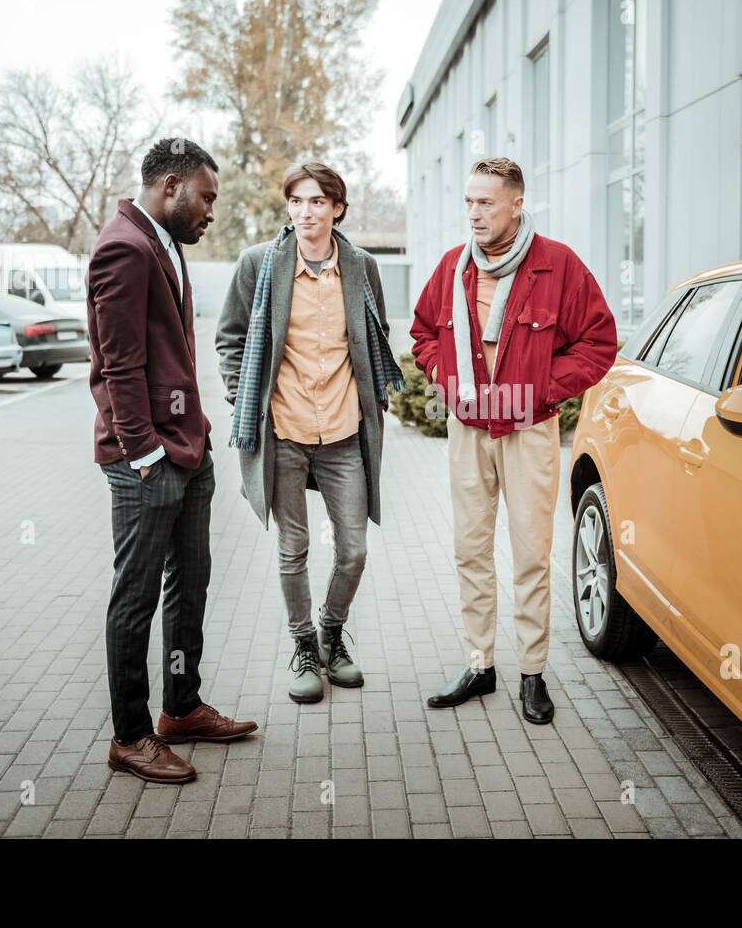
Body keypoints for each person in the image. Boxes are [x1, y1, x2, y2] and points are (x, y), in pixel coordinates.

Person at [410, 157, 617, 724]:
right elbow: (423, 331)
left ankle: (532, 673)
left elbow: (599, 343)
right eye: (469, 201)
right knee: (470, 552)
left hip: (529, 429)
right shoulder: (454, 266)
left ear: (516, 203)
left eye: (485, 202)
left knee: (530, 554)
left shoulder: (558, 266)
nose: (473, 213)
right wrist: (442, 378)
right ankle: (480, 665)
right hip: (468, 428)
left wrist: (544, 391)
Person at [88, 137, 257, 785]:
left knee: (190, 583)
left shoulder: (165, 246)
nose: (212, 210)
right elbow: (117, 367)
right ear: (170, 188)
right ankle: (130, 737)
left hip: (189, 449)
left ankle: (180, 708)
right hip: (147, 461)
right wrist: (146, 455)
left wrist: (197, 433)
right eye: (206, 196)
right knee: (134, 598)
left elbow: (172, 354)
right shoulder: (123, 248)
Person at [216, 161, 402, 704]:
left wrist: (373, 395)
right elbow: (230, 335)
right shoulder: (260, 264)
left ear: (337, 208)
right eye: (296, 201)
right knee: (293, 547)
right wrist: (240, 394)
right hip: (285, 432)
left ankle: (331, 632)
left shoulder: (361, 266)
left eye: (317, 201)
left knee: (354, 551)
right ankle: (302, 646)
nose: (305, 212)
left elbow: (377, 332)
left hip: (345, 432)